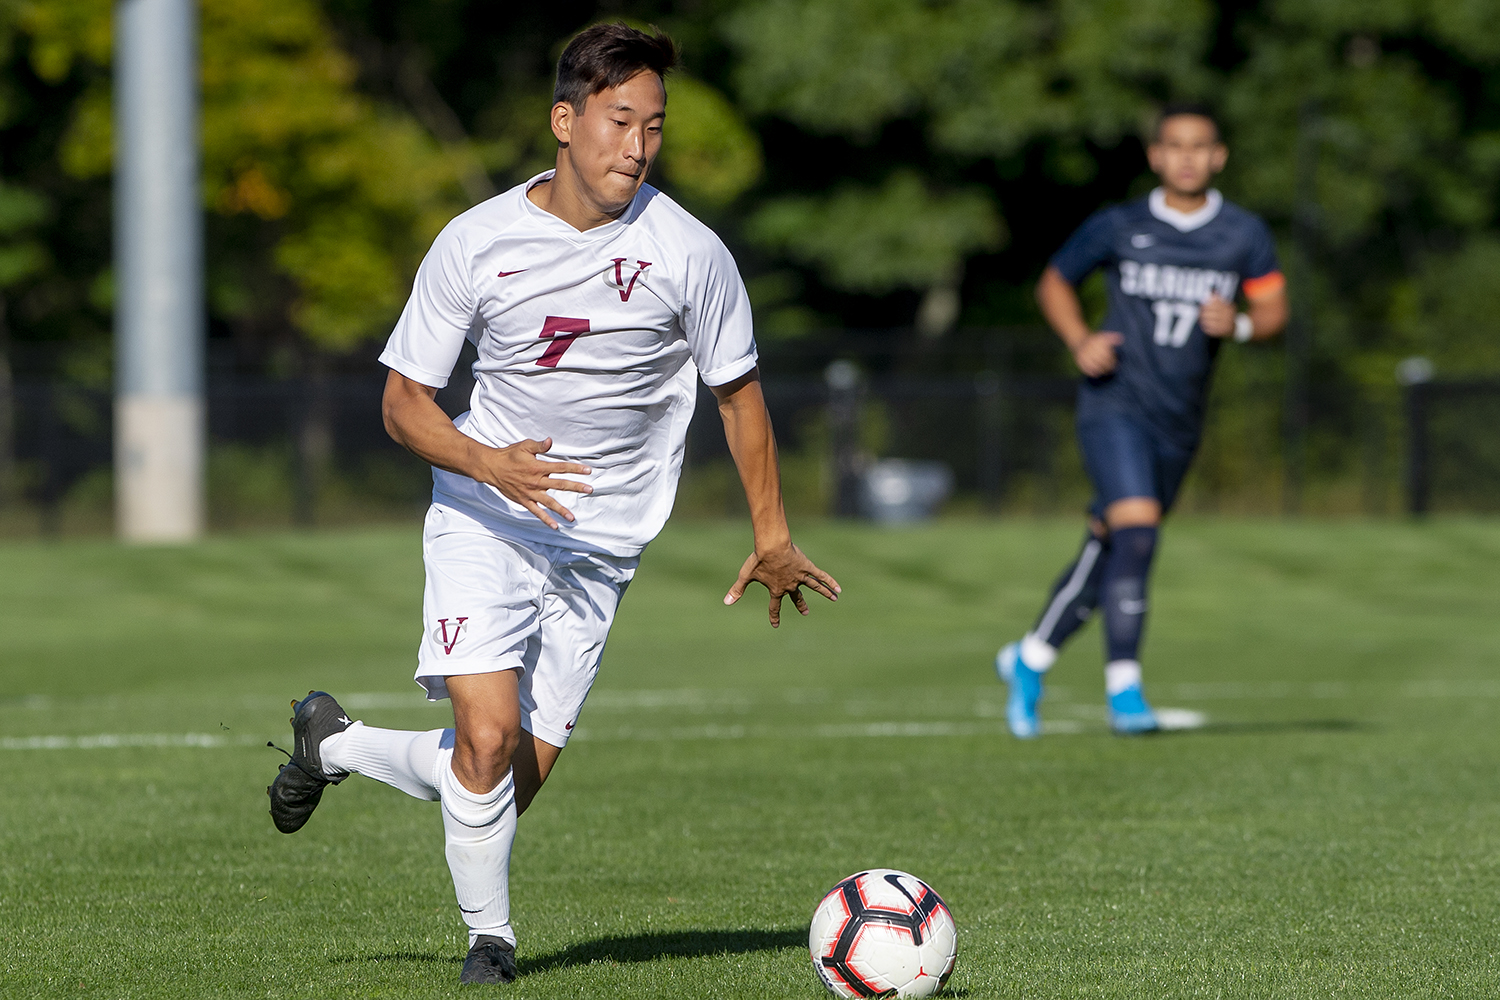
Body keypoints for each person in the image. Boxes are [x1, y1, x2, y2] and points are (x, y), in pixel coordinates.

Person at [264, 23, 839, 984]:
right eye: (620, 121)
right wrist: (490, 464)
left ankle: (338, 744)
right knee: (482, 741)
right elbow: (404, 405)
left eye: (654, 127)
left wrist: (773, 535)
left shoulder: (691, 253)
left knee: (499, 784)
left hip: (602, 546)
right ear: (565, 122)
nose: (637, 146)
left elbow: (740, 399)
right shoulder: (476, 241)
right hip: (483, 517)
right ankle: (492, 944)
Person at [996, 103, 1288, 738]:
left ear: (1219, 157)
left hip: (1180, 421)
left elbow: (1273, 312)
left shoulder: (1242, 233)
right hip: (1114, 402)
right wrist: (1079, 340)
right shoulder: (1119, 224)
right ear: (1156, 156)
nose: (1186, 157)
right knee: (1139, 533)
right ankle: (1123, 688)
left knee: (1117, 541)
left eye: (1200, 146)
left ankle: (1030, 658)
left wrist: (1237, 323)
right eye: (1174, 146)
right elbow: (1053, 283)